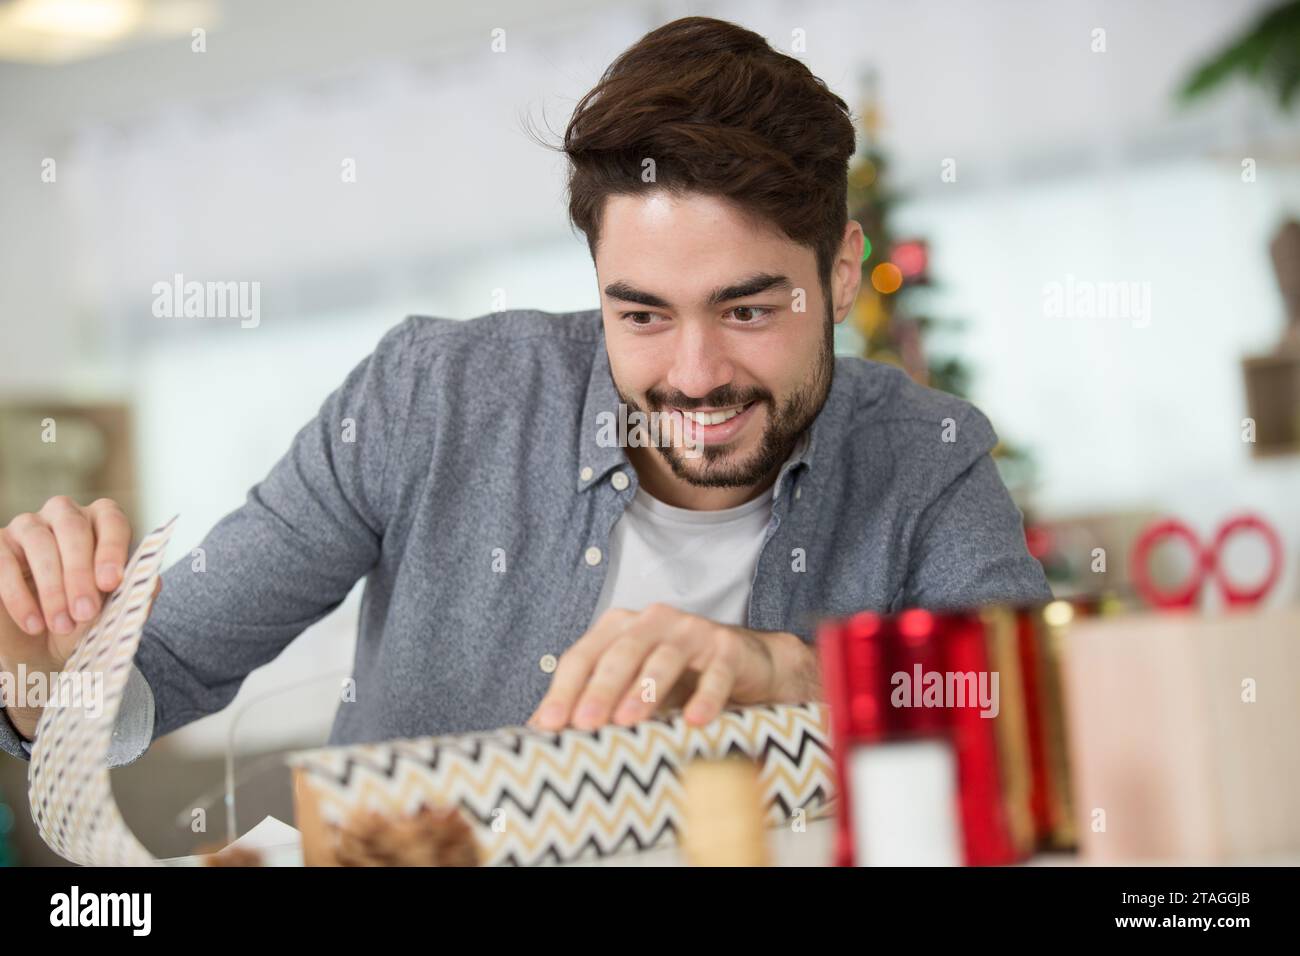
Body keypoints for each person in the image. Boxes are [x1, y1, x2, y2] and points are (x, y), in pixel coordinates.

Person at [0, 16, 1050, 767]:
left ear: (836, 270)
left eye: (745, 310)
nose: (691, 376)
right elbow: (154, 679)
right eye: (640, 313)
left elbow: (1023, 702)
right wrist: (38, 667)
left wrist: (788, 669)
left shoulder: (926, 451)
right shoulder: (428, 398)